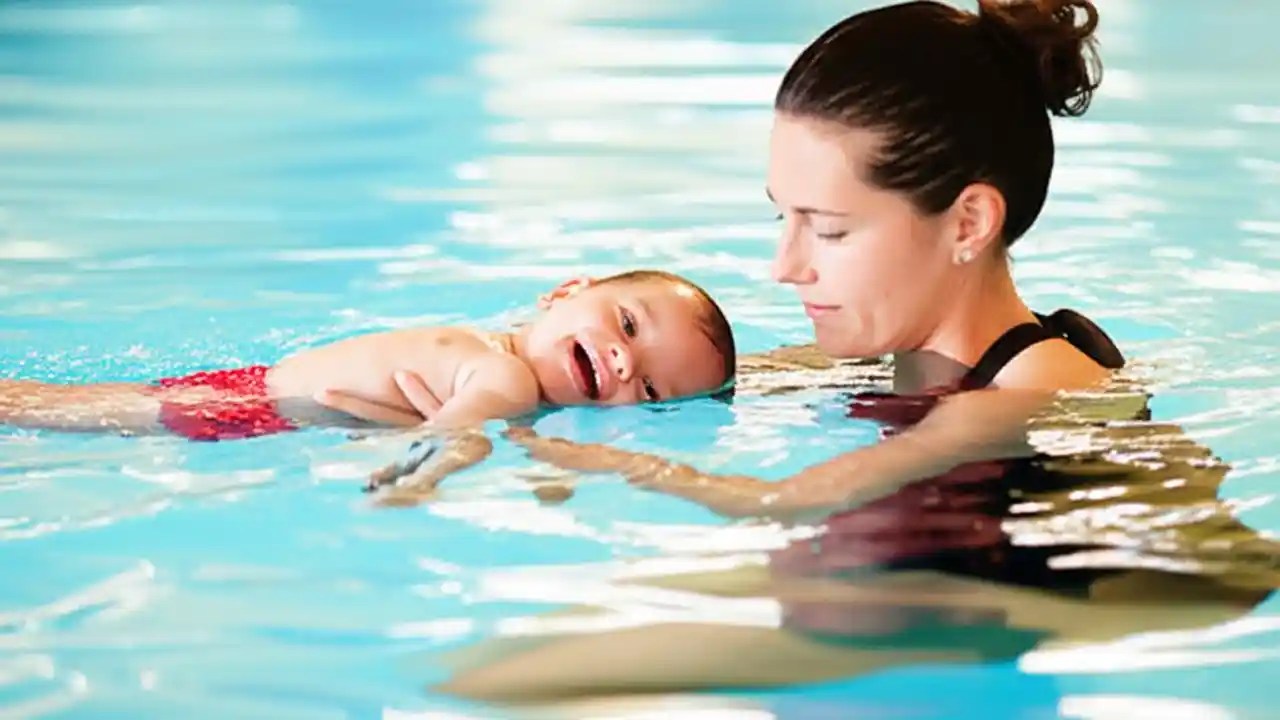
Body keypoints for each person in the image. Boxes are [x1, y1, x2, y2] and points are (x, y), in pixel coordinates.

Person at [315, 0, 1280, 704]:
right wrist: (472, 377)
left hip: (1058, 606)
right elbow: (707, 389)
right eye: (781, 218)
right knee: (476, 666)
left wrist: (576, 456)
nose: (783, 267)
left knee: (491, 689)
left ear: (967, 222)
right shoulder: (894, 348)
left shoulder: (1034, 383)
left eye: (828, 229)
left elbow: (783, 500)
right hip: (905, 575)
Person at [0, 270, 736, 445]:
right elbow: (455, 438)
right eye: (629, 324)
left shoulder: (491, 343)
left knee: (44, 405)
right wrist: (410, 475)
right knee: (37, 414)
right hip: (239, 411)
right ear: (563, 291)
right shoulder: (505, 376)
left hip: (243, 394)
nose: (619, 361)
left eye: (646, 388)